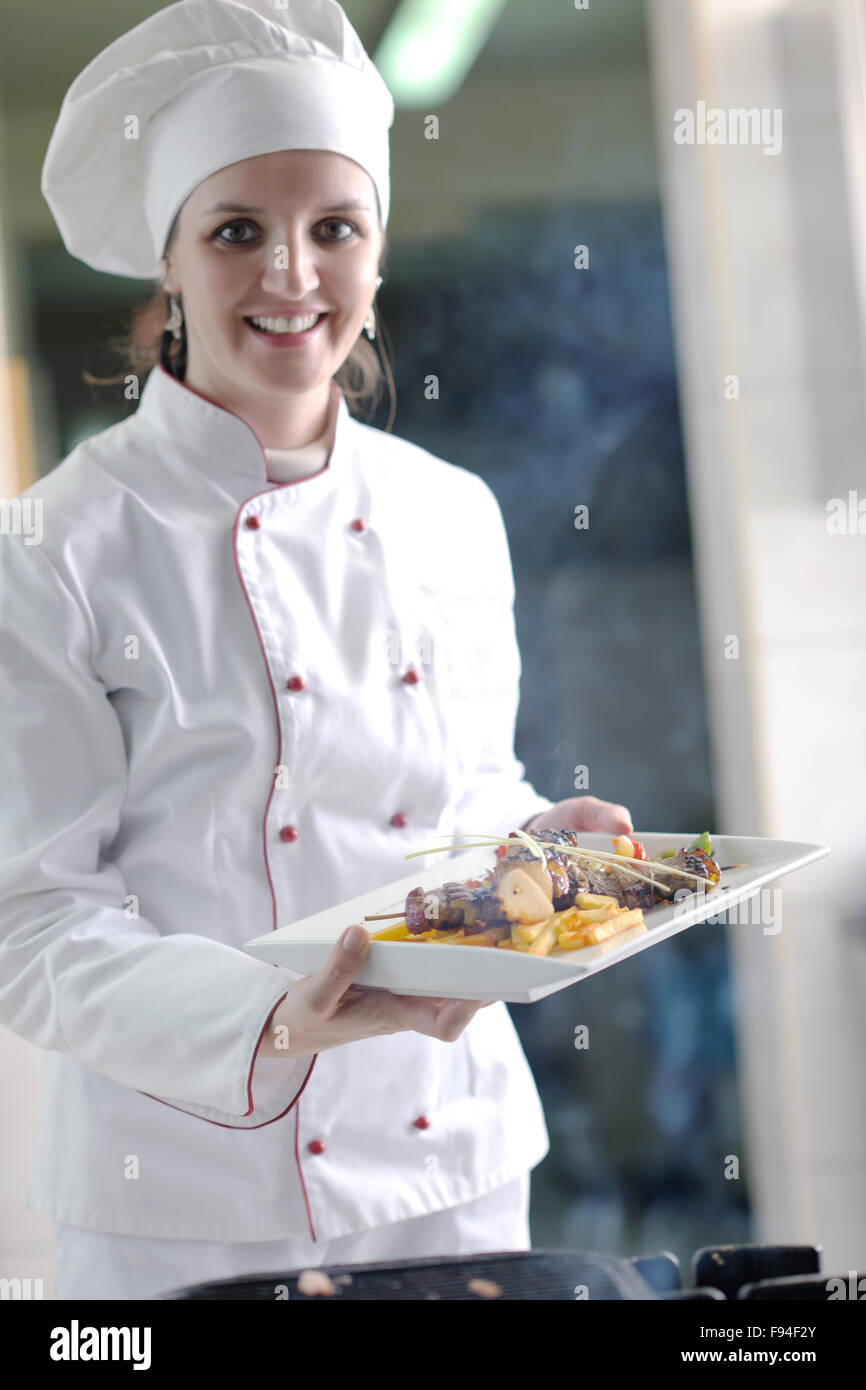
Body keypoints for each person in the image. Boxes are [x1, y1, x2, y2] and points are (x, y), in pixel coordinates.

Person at [0, 0, 633, 1301]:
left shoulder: (449, 511)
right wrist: (274, 1018)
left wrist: (533, 851)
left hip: (447, 1162)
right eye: (237, 230)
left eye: (333, 227)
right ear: (168, 265)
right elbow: (34, 920)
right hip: (181, 1194)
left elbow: (459, 793)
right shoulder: (55, 544)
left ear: (377, 254)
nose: (292, 274)